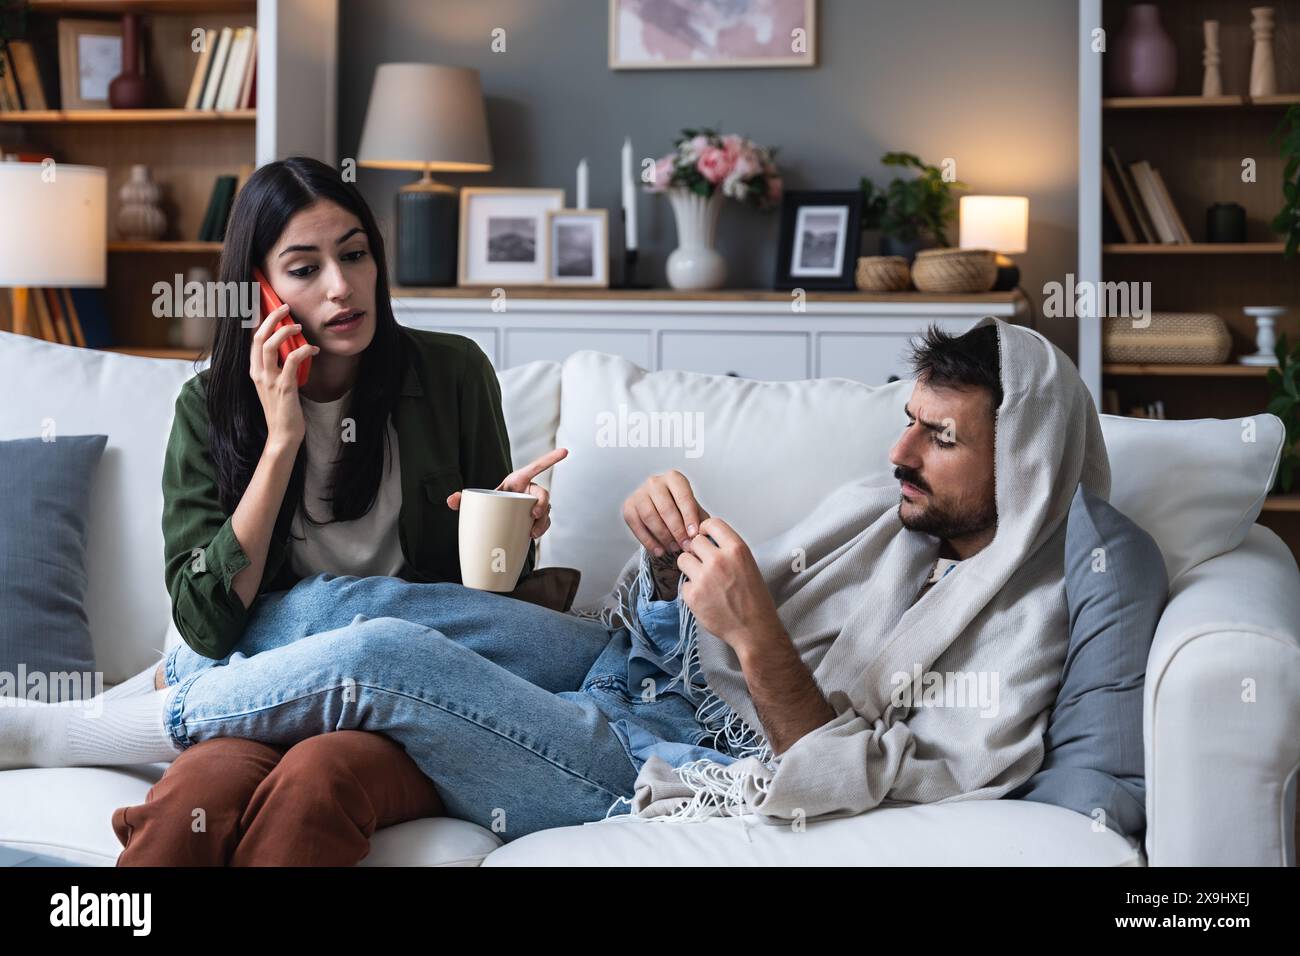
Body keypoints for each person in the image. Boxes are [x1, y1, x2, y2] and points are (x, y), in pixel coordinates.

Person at [4, 317, 1107, 840]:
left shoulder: (1023, 628)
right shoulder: (883, 512)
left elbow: (862, 778)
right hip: (633, 673)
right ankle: (167, 682)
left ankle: (73, 731)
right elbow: (688, 617)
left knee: (388, 659)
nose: (900, 454)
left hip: (667, 757)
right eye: (906, 421)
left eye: (939, 438)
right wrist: (671, 564)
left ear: (1020, 459)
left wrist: (756, 635)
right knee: (356, 601)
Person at [2, 155, 561, 864]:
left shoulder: (451, 374)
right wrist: (282, 440)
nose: (342, 286)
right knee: (190, 804)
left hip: (397, 701)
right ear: (259, 290)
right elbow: (205, 624)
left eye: (355, 255)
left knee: (314, 787)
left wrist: (517, 529)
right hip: (261, 689)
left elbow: (488, 606)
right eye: (305, 269)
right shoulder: (209, 408)